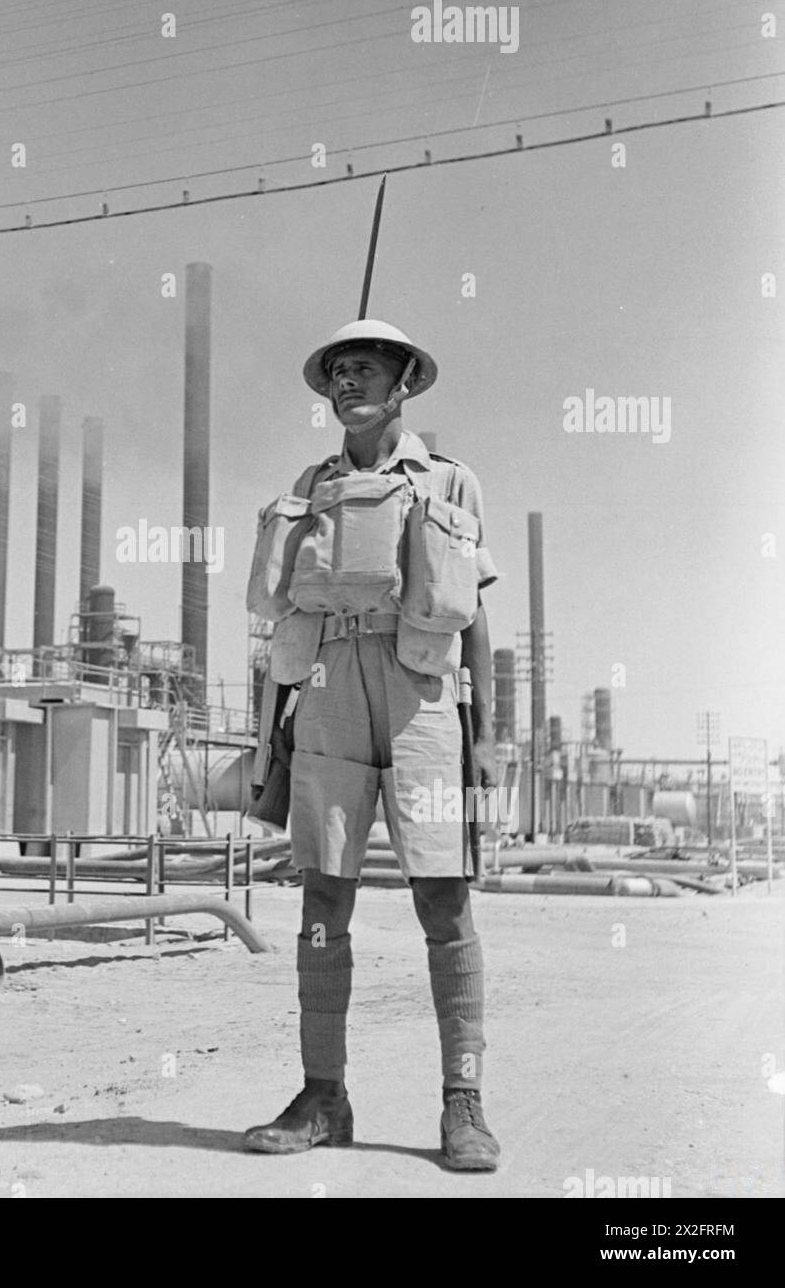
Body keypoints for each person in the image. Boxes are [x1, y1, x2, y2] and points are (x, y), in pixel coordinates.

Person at [243, 320, 501, 1171]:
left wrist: (489, 734)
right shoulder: (310, 486)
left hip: (421, 695)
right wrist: (268, 735)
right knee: (324, 899)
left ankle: (462, 1103)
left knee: (443, 899)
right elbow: (284, 617)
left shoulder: (451, 479)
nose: (348, 381)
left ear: (403, 385)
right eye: (338, 371)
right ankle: (324, 1097)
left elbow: (479, 614)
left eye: (366, 369)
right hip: (324, 693)